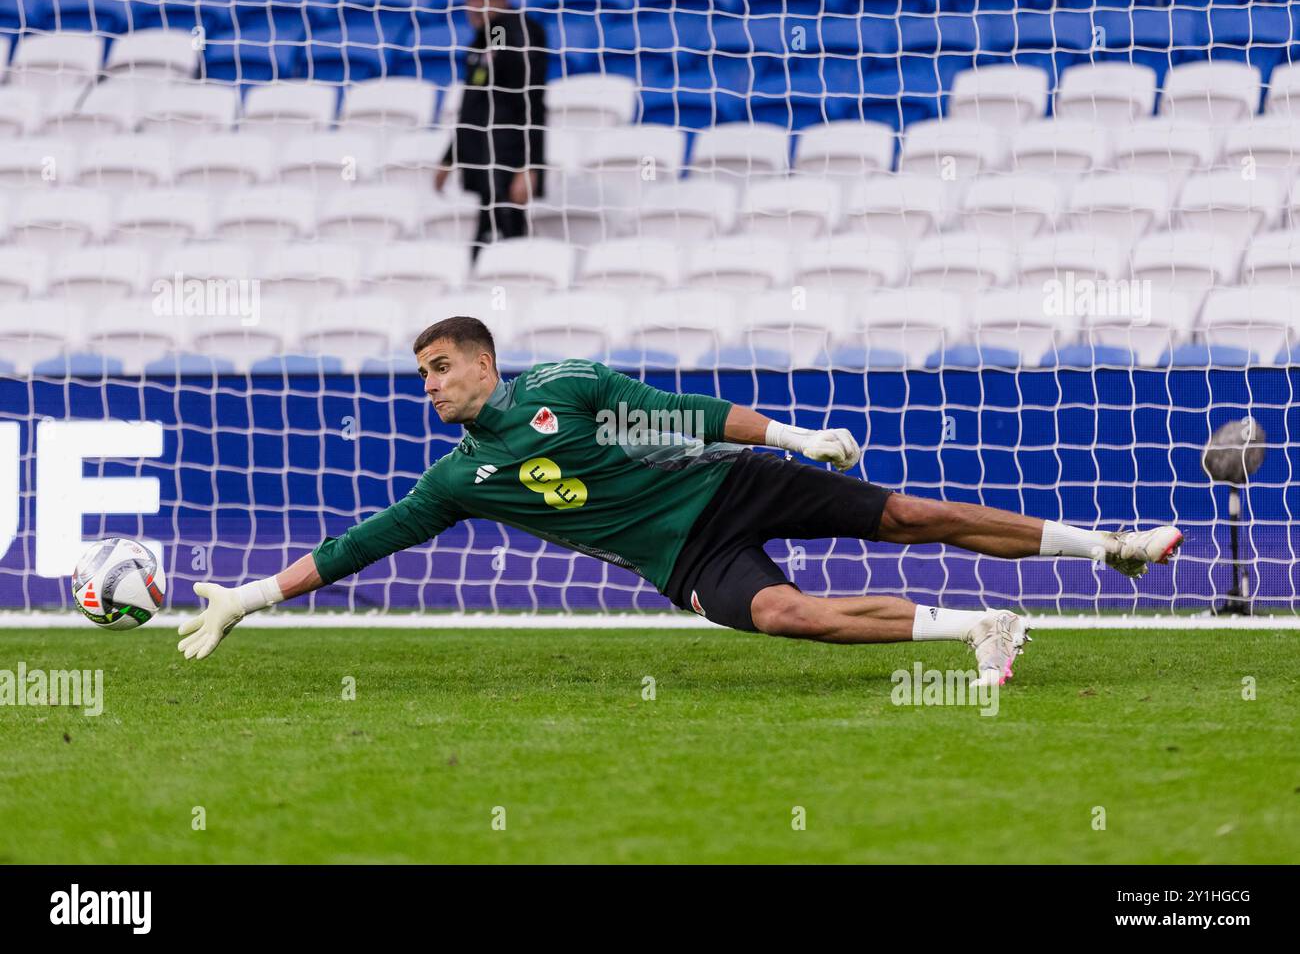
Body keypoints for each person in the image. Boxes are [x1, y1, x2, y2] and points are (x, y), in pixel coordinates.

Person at [177, 317, 1184, 684]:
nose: (428, 385)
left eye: (440, 368)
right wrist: (246, 597)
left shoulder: (561, 391)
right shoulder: (458, 480)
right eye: (423, 375)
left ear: (482, 363)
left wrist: (794, 435)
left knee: (912, 514)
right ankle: (984, 626)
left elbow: (675, 414)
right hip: (687, 560)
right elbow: (363, 542)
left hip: (729, 480)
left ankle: (1114, 546)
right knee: (790, 616)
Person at [435, 0, 547, 256]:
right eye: (468, 1)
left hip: (508, 160)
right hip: (483, 158)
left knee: (509, 238)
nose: (470, 8)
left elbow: (532, 102)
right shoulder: (487, 36)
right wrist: (450, 157)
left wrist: (530, 165)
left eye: (477, 0)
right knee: (487, 236)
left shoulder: (520, 33)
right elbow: (475, 101)